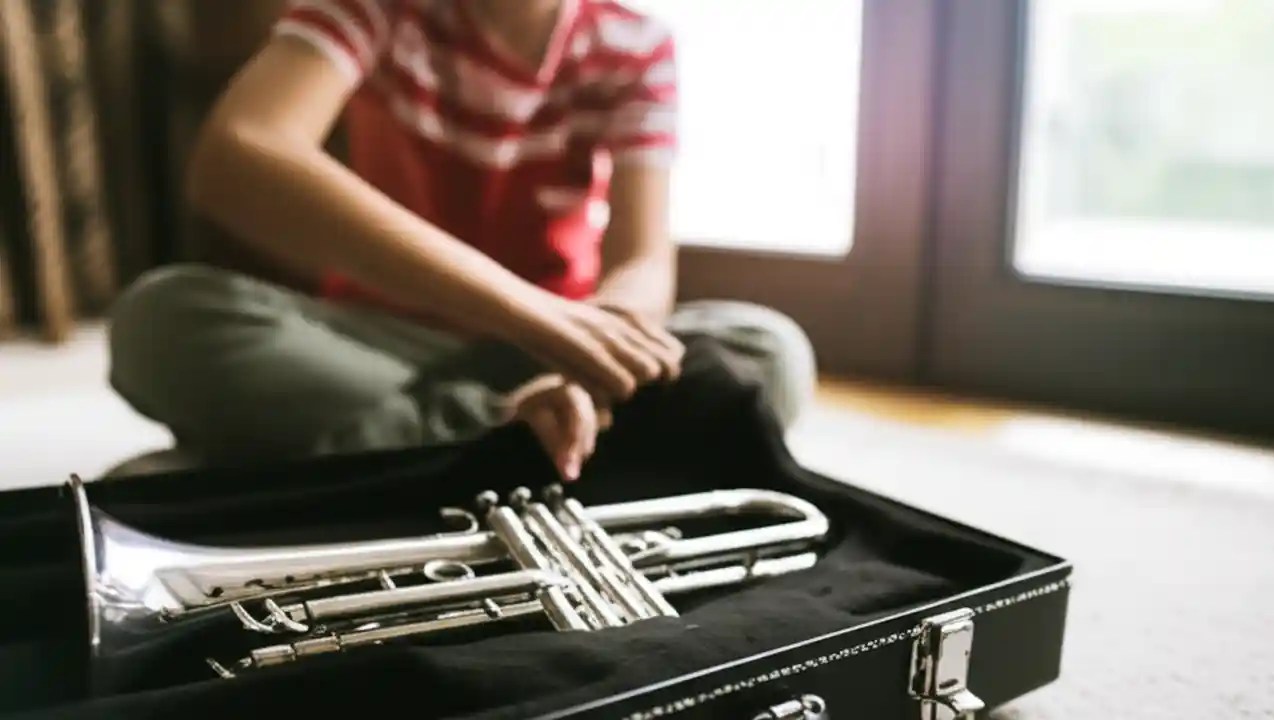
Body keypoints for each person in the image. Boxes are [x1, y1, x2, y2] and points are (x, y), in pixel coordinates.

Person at [106, 0, 816, 482]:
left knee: (768, 353)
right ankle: (518, 441)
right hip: (379, 344)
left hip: (552, 359)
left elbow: (641, 259)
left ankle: (346, 460)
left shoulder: (634, 44)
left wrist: (594, 361)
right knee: (161, 319)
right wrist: (529, 311)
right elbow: (240, 151)